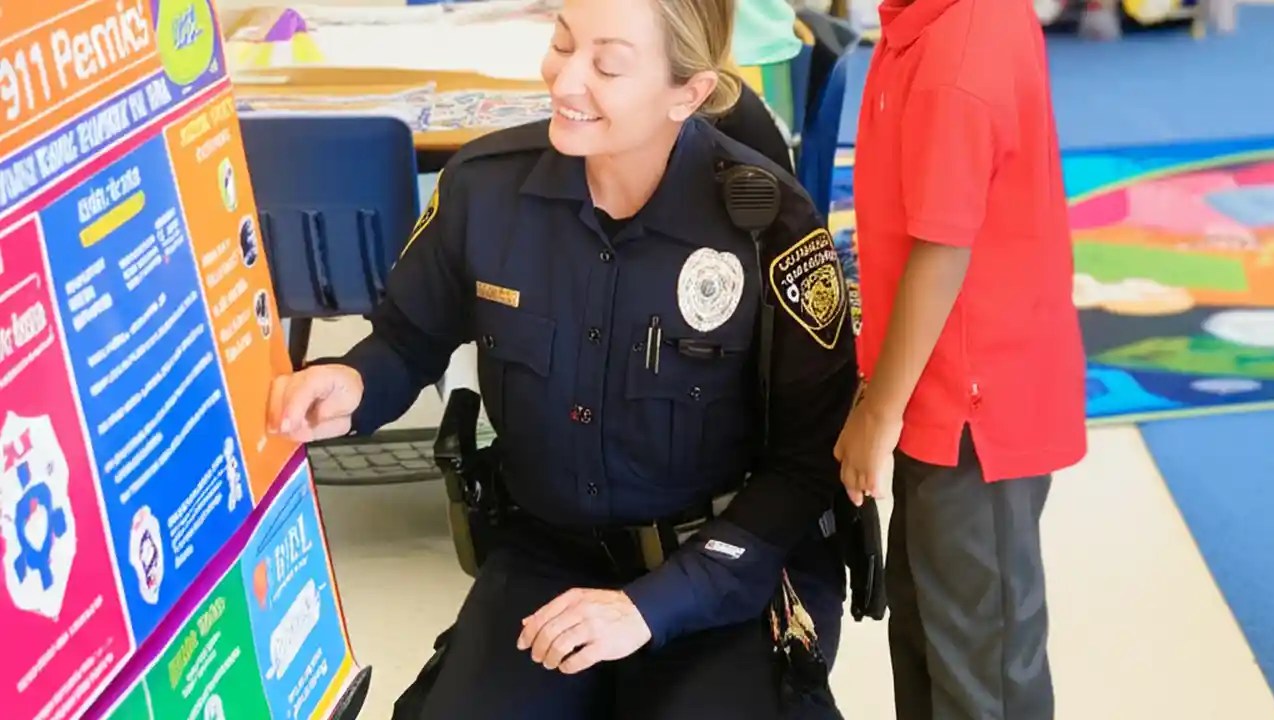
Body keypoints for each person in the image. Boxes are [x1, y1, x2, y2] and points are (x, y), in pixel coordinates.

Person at [267, 0, 858, 717]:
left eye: (607, 65)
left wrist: (651, 606)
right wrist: (354, 381)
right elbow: (404, 340)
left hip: (719, 568)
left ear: (689, 93)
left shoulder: (769, 228)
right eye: (563, 43)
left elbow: (806, 466)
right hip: (549, 555)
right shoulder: (485, 191)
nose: (565, 80)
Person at [832, 0, 1087, 719]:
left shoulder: (960, 53)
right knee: (926, 631)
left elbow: (943, 248)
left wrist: (878, 412)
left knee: (981, 671)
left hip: (976, 412)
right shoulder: (921, 26)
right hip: (931, 386)